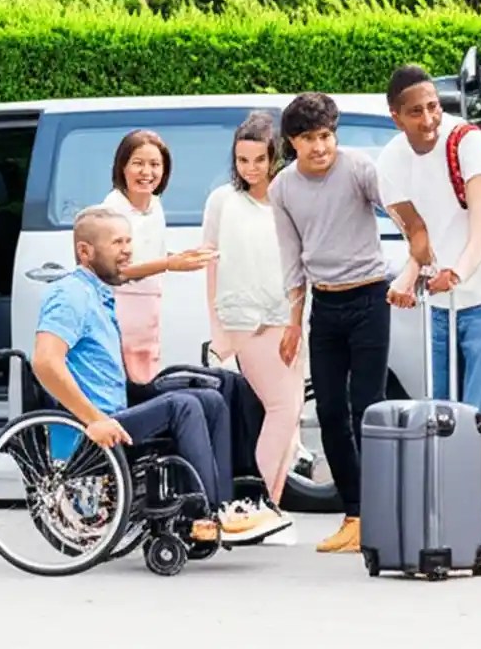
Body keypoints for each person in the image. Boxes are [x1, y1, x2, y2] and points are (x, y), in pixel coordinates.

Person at [31, 205, 285, 544]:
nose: (127, 251)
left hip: (117, 413)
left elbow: (128, 274)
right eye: (118, 243)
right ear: (85, 252)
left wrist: (172, 262)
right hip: (92, 428)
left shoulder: (97, 291)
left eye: (128, 241)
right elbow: (45, 362)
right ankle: (203, 517)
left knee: (211, 397)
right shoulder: (70, 295)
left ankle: (225, 507)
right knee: (183, 406)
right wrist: (93, 420)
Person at [375, 64, 481, 569]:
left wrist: (455, 271)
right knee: (443, 421)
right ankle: (446, 529)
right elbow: (419, 238)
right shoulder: (389, 162)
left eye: (434, 105)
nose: (430, 118)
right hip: (438, 303)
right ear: (397, 117)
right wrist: (408, 276)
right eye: (416, 111)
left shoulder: (468, 142)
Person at [268, 92, 391, 554]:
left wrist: (423, 257)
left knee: (368, 408)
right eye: (308, 139)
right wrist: (294, 322)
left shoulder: (358, 167)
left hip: (370, 298)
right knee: (329, 412)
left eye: (326, 136)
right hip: (326, 306)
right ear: (291, 142)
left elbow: (397, 208)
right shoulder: (282, 188)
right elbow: (292, 258)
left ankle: (382, 511)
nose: (320, 147)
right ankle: (355, 515)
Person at [201, 111, 300, 540]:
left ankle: (269, 513)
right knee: (281, 410)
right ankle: (254, 506)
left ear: (275, 157)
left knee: (289, 416)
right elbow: (211, 264)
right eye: (243, 160)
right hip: (248, 323)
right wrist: (219, 332)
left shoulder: (288, 197)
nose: (251, 168)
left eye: (259, 159)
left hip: (289, 319)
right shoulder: (223, 201)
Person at [101, 129, 215, 385]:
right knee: (125, 379)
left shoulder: (154, 205)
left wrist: (185, 257)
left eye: (155, 164)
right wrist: (170, 264)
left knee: (149, 377)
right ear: (122, 167)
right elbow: (116, 270)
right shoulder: (112, 209)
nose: (147, 172)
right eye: (138, 164)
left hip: (148, 309)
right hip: (121, 307)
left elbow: (152, 255)